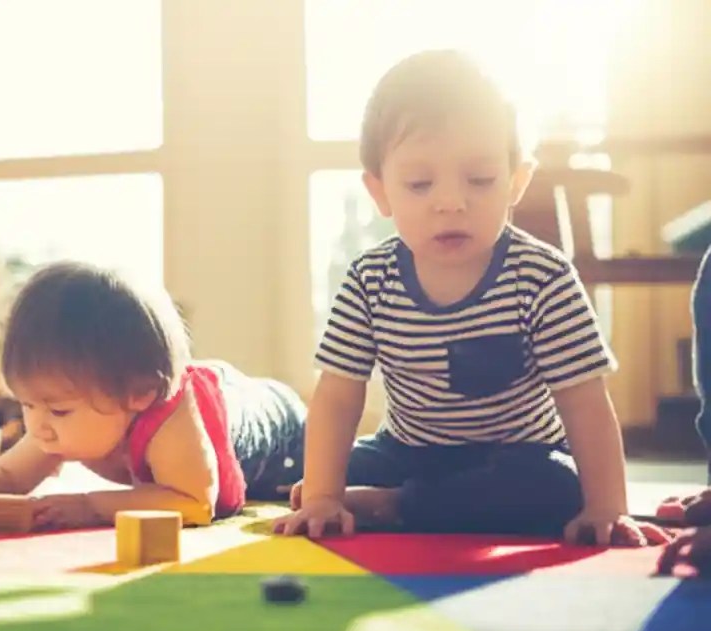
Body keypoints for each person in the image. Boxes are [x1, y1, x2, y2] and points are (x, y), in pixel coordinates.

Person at [274, 49, 667, 545]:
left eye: (480, 180)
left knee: (561, 487)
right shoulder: (370, 278)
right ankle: (379, 493)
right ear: (380, 192)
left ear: (516, 182)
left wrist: (608, 508)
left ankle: (396, 505)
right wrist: (324, 497)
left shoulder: (542, 276)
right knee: (312, 466)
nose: (451, 202)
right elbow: (337, 395)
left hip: (516, 456)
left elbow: (585, 403)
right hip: (406, 450)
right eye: (419, 184)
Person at [0, 261, 307, 530]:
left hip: (280, 425)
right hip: (202, 389)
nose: (38, 426)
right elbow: (8, 477)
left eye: (57, 410)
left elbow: (195, 502)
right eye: (27, 404)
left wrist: (91, 506)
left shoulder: (172, 417)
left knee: (340, 478)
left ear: (139, 394)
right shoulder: (64, 408)